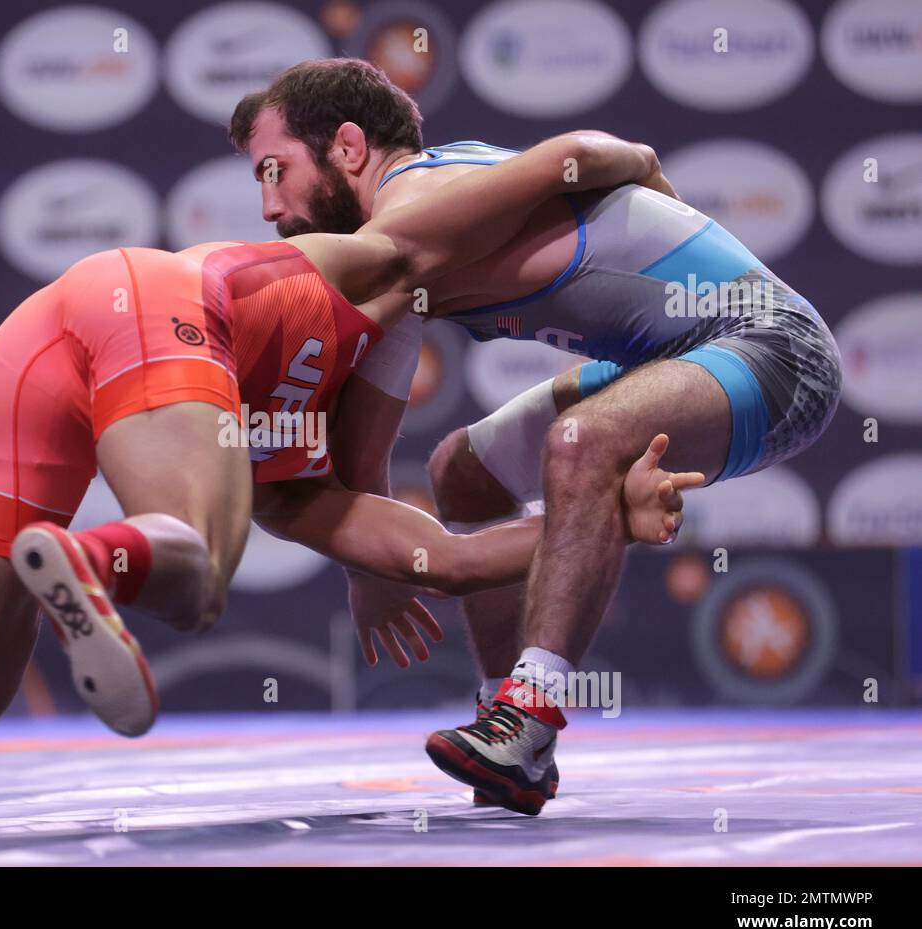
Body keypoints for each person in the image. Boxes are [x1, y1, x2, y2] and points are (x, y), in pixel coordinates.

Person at [0, 129, 695, 830]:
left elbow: (454, 560)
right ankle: (89, 557)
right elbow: (556, 161)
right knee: (201, 570)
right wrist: (644, 167)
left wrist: (599, 511)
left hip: (38, 342)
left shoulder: (295, 481)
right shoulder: (381, 262)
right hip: (154, 310)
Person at [231, 58, 842, 814]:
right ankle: (507, 734)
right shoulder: (400, 259)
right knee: (465, 470)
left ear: (349, 148)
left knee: (581, 444)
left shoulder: (419, 207)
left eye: (273, 169)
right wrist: (369, 574)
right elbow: (361, 459)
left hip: (777, 350)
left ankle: (532, 715)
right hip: (670, 359)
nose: (267, 206)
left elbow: (572, 155)